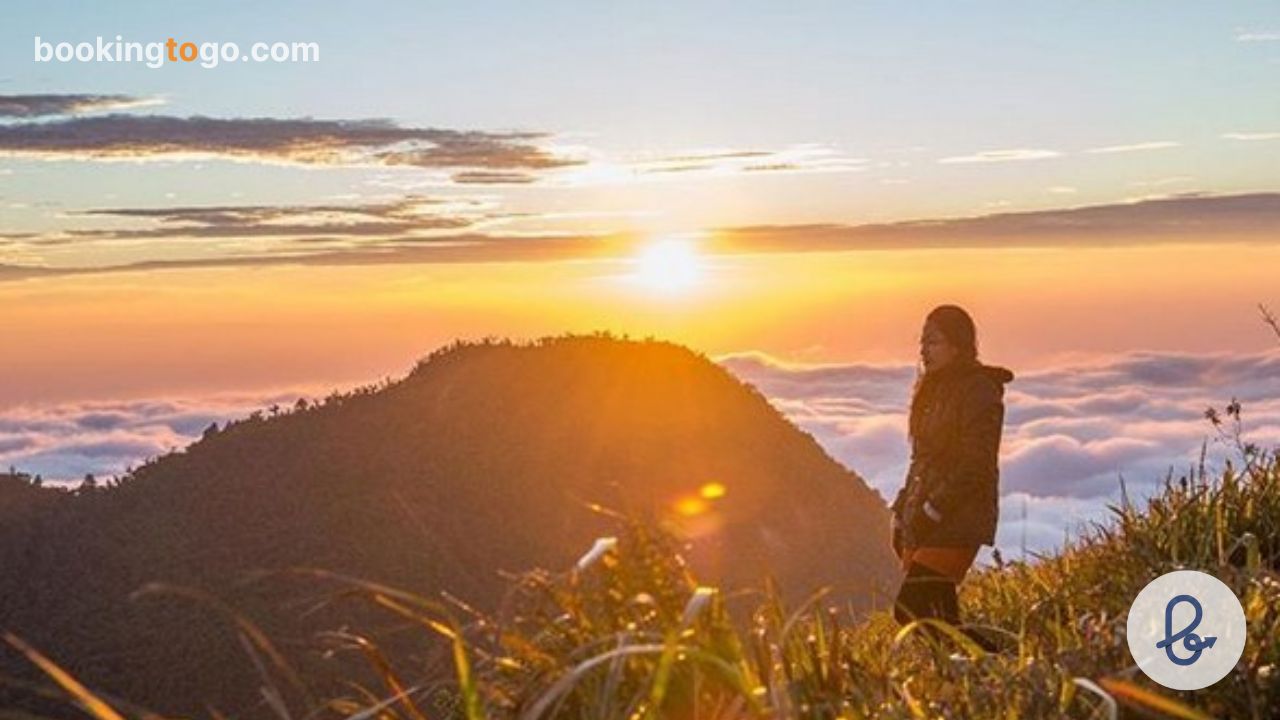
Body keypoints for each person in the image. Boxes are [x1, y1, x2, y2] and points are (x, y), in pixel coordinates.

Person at [890, 304, 1013, 634]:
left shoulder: (979, 390)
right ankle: (991, 659)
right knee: (942, 620)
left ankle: (994, 656)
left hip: (958, 517)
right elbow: (922, 459)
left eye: (933, 342)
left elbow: (977, 464)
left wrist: (932, 510)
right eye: (922, 342)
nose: (923, 351)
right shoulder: (934, 389)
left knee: (910, 610)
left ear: (958, 345)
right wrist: (902, 509)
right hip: (933, 518)